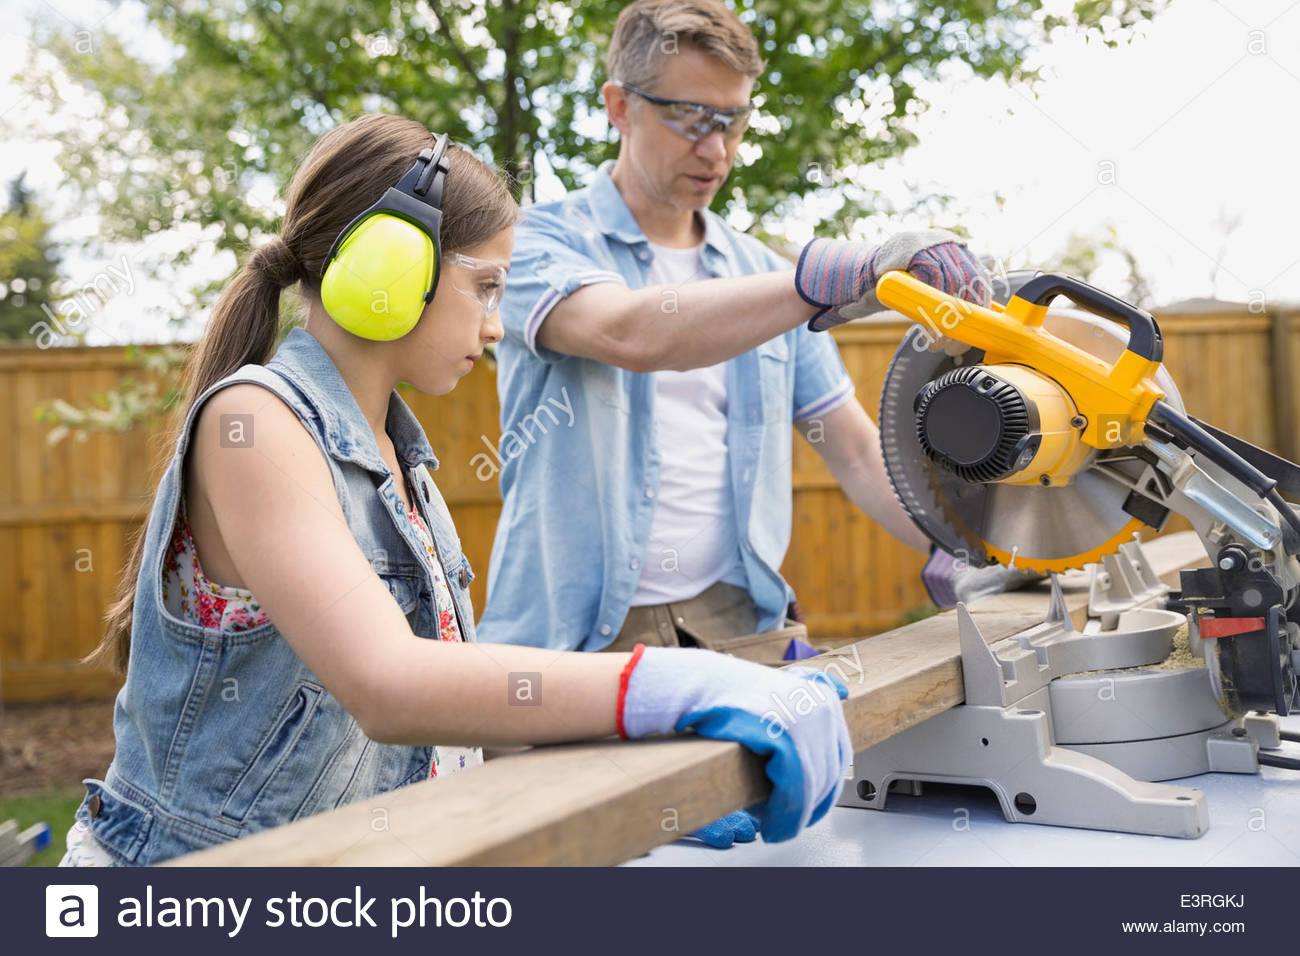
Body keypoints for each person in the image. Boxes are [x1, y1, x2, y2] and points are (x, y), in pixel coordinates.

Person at [58, 113, 851, 866]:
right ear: (391, 269)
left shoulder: (404, 464)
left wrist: (651, 775)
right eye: (488, 287)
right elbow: (390, 685)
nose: (498, 327)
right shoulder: (257, 427)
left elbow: (455, 729)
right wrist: (672, 684)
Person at [479, 0, 991, 671]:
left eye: (734, 121)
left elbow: (859, 454)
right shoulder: (538, 240)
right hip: (570, 641)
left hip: (738, 625)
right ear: (619, 106)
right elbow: (632, 333)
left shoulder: (760, 275)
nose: (716, 149)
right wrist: (831, 278)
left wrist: (966, 551)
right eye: (691, 118)